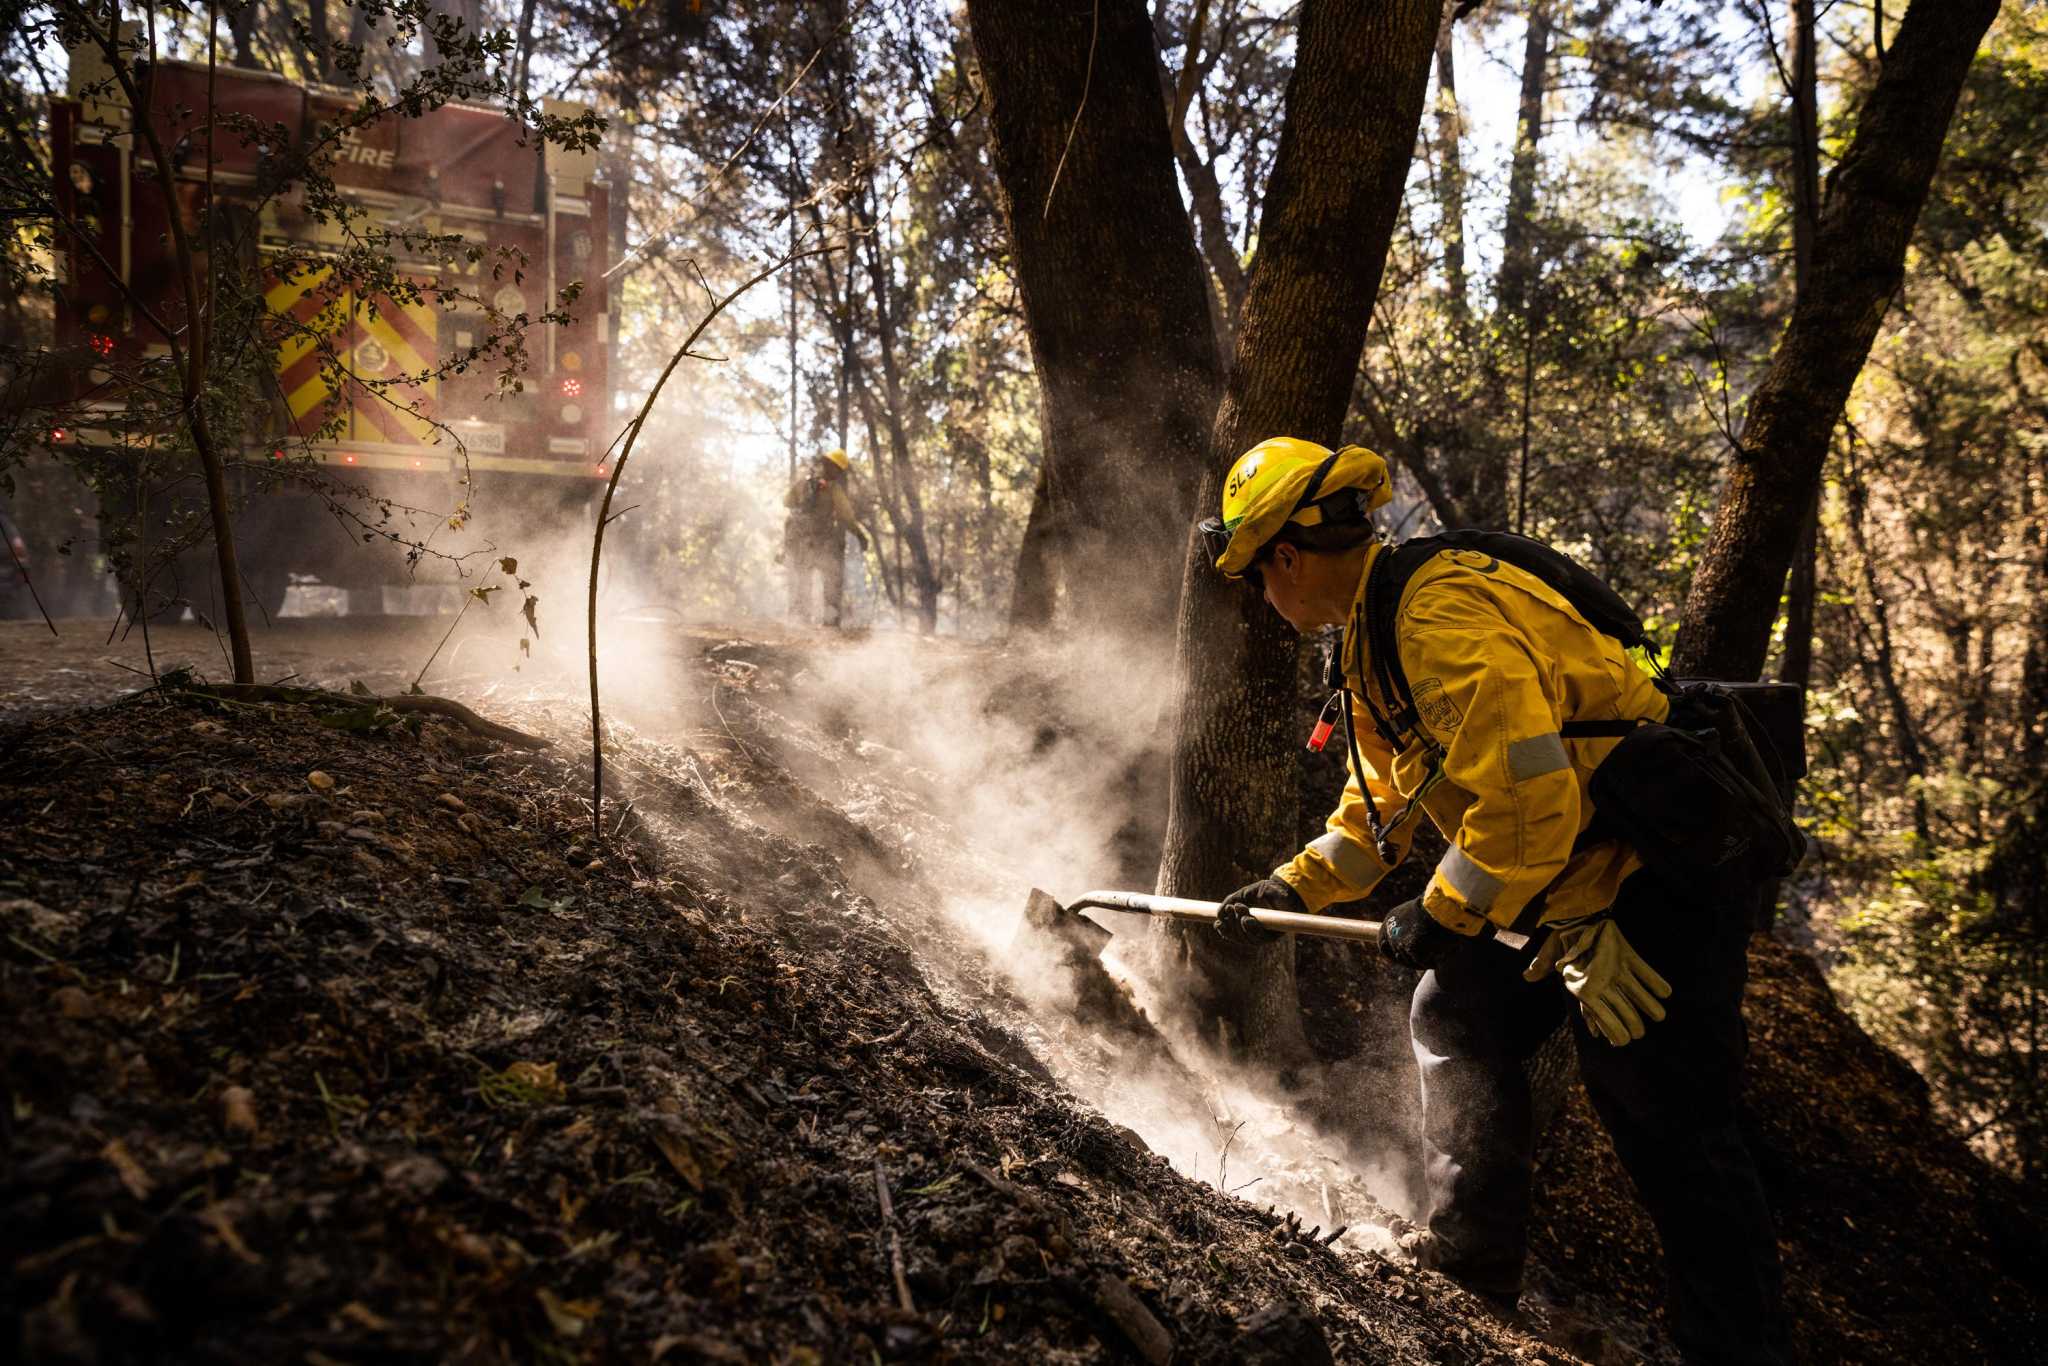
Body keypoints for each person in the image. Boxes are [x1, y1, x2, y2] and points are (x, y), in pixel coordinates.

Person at [1197, 437, 1792, 1365]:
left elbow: (1527, 797)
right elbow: (1381, 805)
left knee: (1665, 1113)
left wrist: (1440, 913)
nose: (1262, 601)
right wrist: (1294, 883)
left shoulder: (1433, 616)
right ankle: (1471, 1272)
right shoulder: (1373, 636)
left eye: (1254, 578)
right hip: (1555, 881)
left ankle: (1739, 1353)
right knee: (1459, 1012)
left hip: (1654, 879)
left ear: (1284, 556)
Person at [782, 448, 869, 628]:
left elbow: (787, 502)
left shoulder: (803, 483)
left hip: (800, 541)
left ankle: (800, 623)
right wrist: (861, 536)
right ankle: (830, 624)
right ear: (837, 469)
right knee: (832, 580)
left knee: (802, 581)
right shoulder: (833, 489)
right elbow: (847, 516)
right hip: (822, 542)